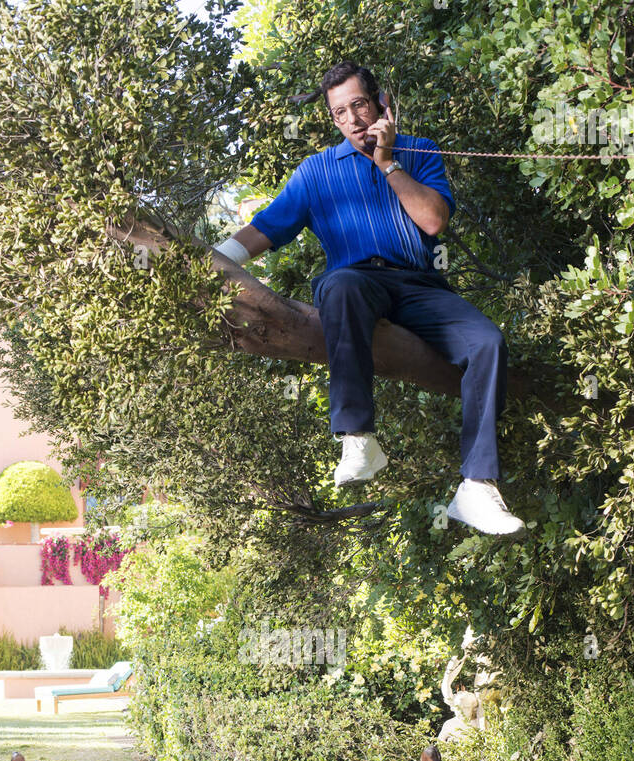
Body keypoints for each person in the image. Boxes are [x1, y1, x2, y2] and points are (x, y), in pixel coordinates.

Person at [214, 60, 524, 536]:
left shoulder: (419, 151)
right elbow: (266, 228)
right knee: (338, 285)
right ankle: (357, 435)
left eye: (359, 104)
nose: (353, 119)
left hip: (420, 286)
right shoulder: (316, 172)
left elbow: (433, 221)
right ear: (334, 120)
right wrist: (206, 262)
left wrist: (388, 163)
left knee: (487, 343)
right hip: (356, 283)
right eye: (340, 113)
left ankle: (477, 488)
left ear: (382, 105)